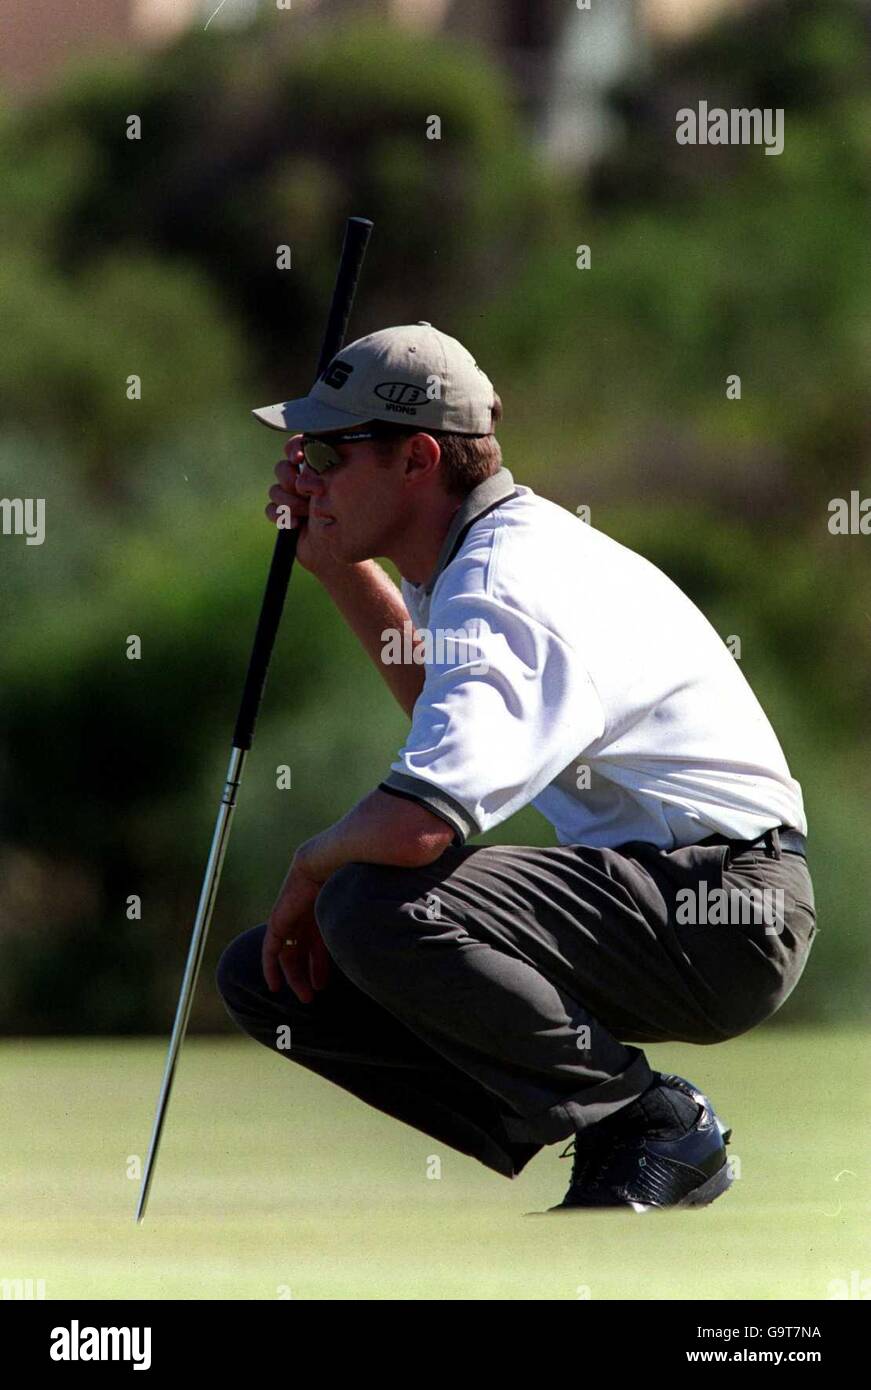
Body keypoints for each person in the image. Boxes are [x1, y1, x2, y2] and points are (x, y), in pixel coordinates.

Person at [216, 322, 817, 1211]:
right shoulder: (476, 558)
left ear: (417, 458)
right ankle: (598, 1115)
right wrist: (336, 567)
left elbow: (420, 825)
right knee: (268, 979)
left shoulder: (504, 578)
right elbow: (448, 725)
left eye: (329, 454)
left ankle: (644, 1122)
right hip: (675, 901)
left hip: (726, 910)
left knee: (366, 903)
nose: (305, 476)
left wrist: (309, 866)